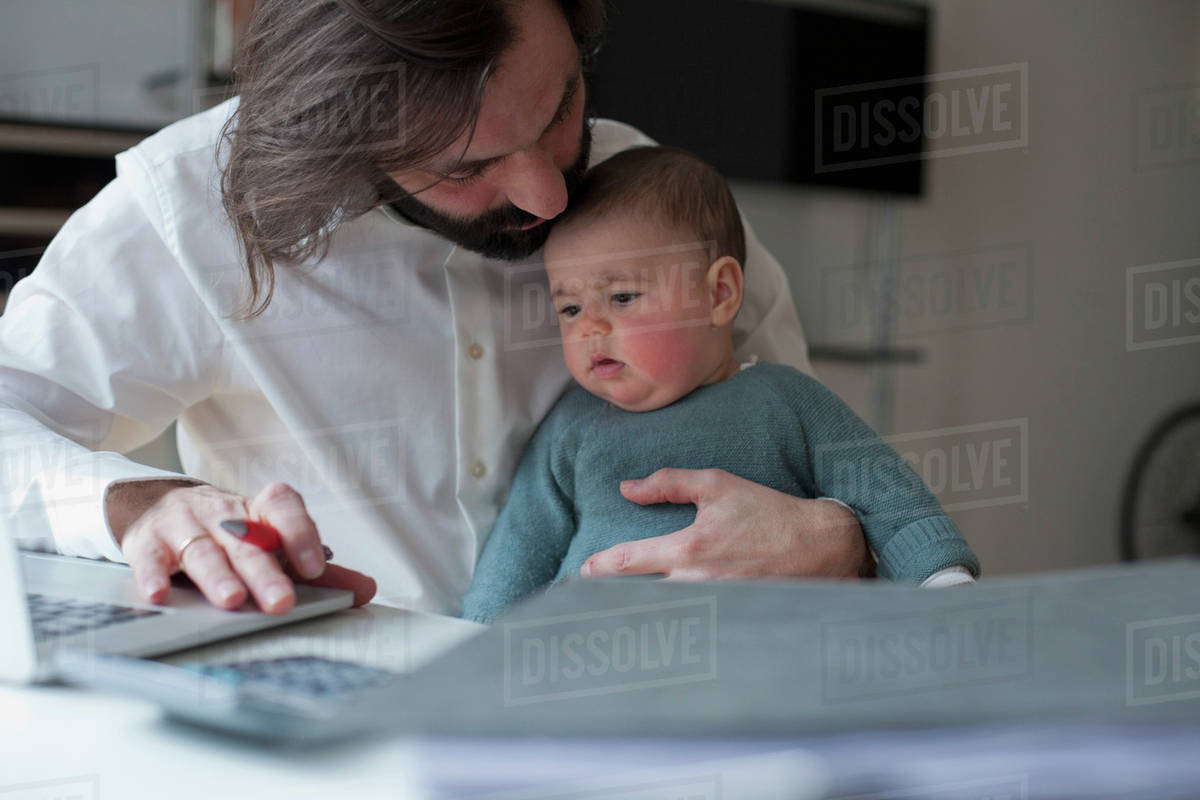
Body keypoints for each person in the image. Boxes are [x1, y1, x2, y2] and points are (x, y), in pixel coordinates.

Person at [0, 0, 872, 617]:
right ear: (340, 138)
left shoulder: (662, 206)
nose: (544, 195)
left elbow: (814, 458)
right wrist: (138, 505)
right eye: (466, 167)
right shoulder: (193, 209)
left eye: (561, 107)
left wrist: (839, 540)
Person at [461, 147, 980, 623]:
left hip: (759, 651)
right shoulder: (570, 426)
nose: (589, 328)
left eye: (621, 297)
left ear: (719, 294)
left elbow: (892, 498)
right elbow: (520, 549)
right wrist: (472, 649)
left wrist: (945, 586)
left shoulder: (786, 400)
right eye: (570, 308)